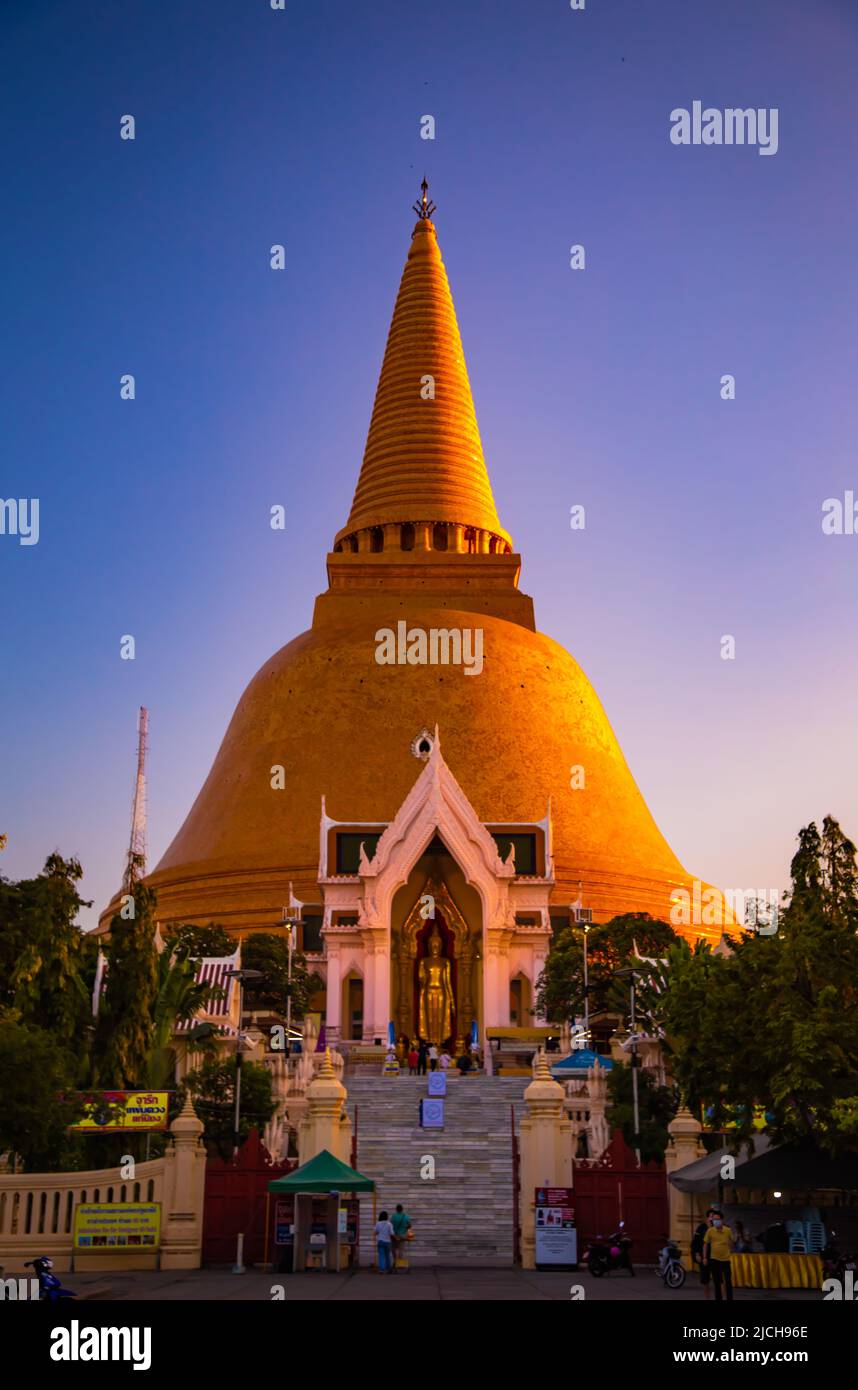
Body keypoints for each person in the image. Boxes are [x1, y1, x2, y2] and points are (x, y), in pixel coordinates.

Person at [704, 1213, 734, 1301]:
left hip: (725, 1260)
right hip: (714, 1260)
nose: (715, 1221)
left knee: (728, 1281)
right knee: (717, 1282)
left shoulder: (728, 1230)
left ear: (721, 1220)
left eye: (717, 1219)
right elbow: (705, 1244)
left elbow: (732, 1245)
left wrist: (730, 1243)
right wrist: (705, 1257)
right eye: (714, 1220)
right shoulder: (710, 1231)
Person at [690, 1222, 711, 1299]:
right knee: (705, 1280)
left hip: (717, 1257)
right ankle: (707, 1298)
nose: (712, 1219)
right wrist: (697, 1254)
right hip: (704, 1257)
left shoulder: (721, 1228)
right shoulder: (701, 1228)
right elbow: (696, 1242)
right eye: (711, 1217)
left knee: (721, 1280)